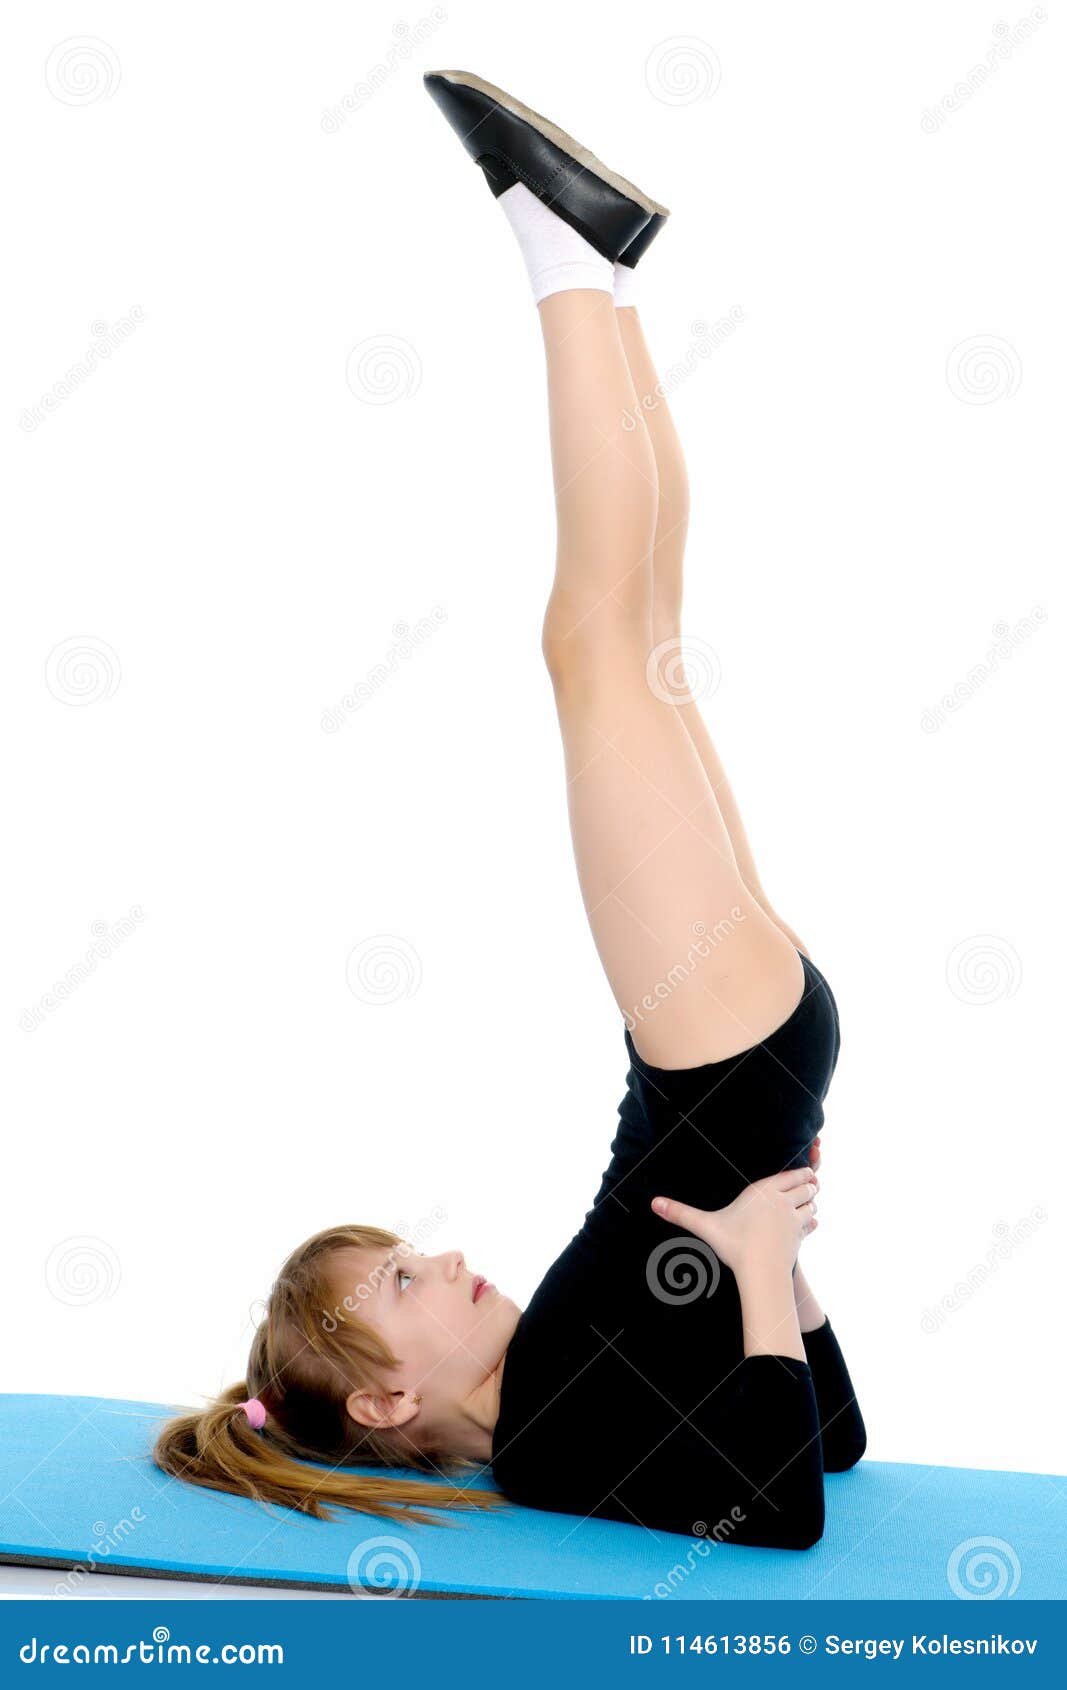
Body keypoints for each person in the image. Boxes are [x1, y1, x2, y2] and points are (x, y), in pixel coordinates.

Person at [155, 71, 866, 1550]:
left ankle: (591, 272)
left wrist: (770, 1271)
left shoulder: (556, 1390)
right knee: (597, 647)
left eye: (410, 1260)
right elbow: (790, 1501)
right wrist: (756, 1267)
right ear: (388, 1405)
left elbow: (831, 1440)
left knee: (638, 642)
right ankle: (564, 255)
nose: (451, 1261)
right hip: (720, 1056)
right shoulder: (542, 1439)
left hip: (731, 1054)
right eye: (405, 1286)